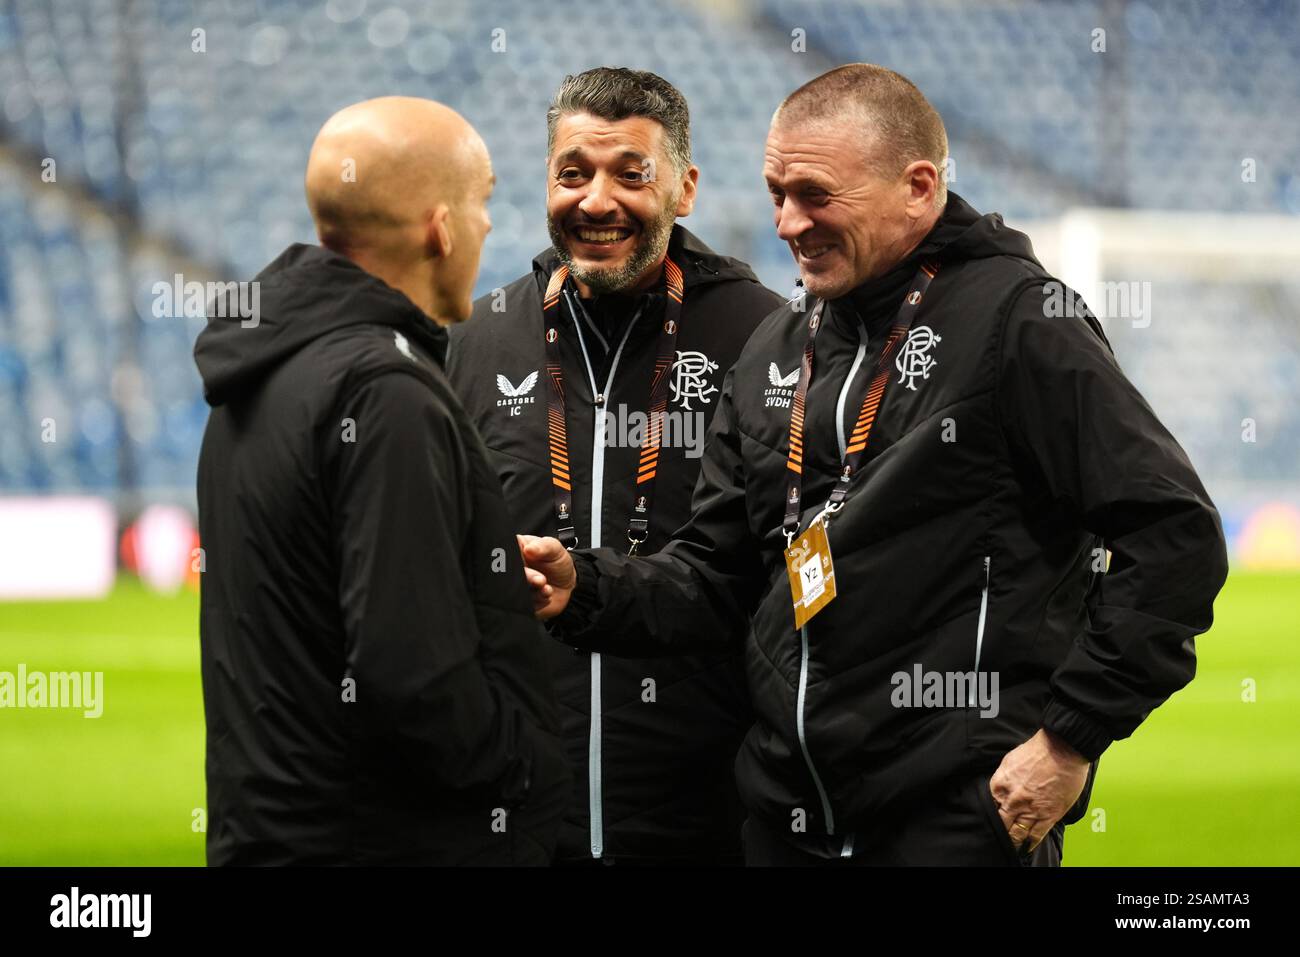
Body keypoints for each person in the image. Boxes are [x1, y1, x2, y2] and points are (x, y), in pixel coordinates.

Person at [520, 64, 1229, 866]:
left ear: (918, 187)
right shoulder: (778, 346)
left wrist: (1067, 740)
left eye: (815, 195)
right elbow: (717, 574)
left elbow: (1175, 536)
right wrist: (587, 588)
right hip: (787, 817)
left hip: (953, 820)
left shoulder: (1019, 322)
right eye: (776, 193)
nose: (788, 223)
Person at [194, 96, 568, 865]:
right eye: (483, 200)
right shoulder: (383, 389)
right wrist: (521, 760)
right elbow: (410, 671)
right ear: (440, 226)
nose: (489, 226)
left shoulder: (264, 367)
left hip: (273, 828)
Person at [448, 67, 784, 866]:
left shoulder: (769, 338)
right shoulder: (478, 339)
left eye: (631, 173)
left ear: (685, 186)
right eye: (574, 173)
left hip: (714, 824)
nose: (597, 201)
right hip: (518, 820)